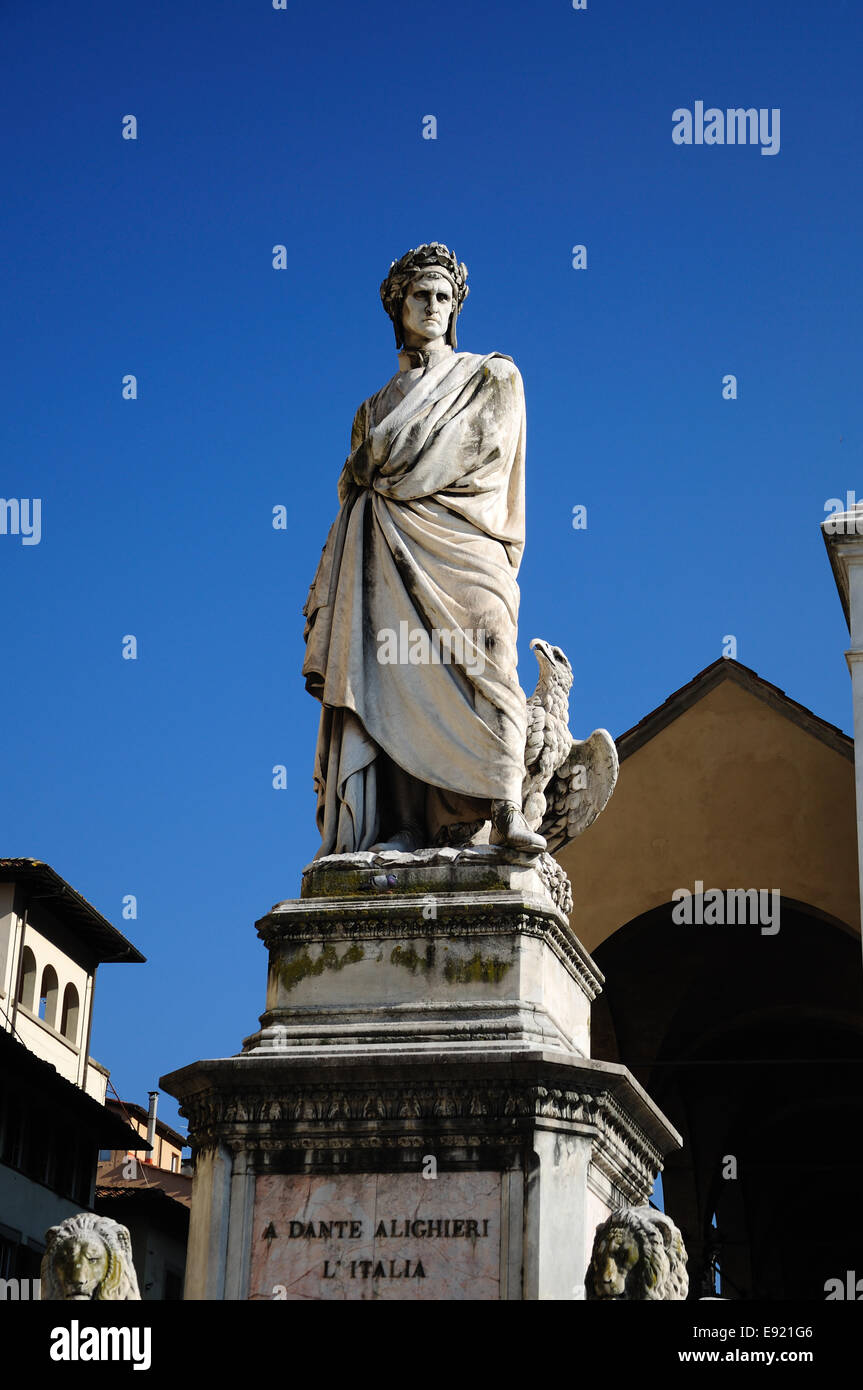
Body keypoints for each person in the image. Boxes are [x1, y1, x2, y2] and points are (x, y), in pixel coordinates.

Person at [303, 243, 545, 856]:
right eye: (421, 296)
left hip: (467, 541)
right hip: (387, 549)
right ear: (399, 308)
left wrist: (378, 464)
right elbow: (351, 487)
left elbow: (483, 451)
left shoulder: (491, 376)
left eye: (444, 297)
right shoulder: (371, 410)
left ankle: (506, 805)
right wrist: (372, 465)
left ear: (456, 306)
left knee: (491, 648)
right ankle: (406, 825)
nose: (433, 306)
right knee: (393, 674)